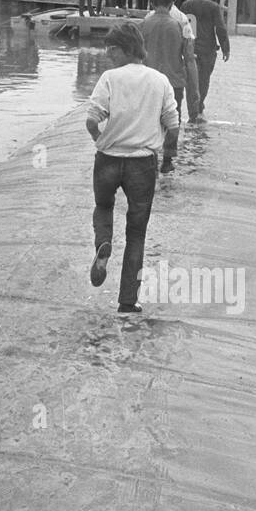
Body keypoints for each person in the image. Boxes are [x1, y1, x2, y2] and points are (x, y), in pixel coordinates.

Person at [86, 21, 180, 315]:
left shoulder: (110, 79)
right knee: (136, 233)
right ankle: (128, 300)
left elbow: (91, 120)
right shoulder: (160, 80)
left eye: (112, 50)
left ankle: (103, 243)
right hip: (142, 162)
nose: (109, 56)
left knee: (103, 206)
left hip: (108, 159)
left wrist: (102, 141)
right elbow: (173, 126)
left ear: (126, 49)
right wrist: (166, 159)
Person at [180, 0, 230, 118]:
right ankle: (200, 102)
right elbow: (220, 28)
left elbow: (182, 27)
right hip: (208, 48)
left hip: (190, 48)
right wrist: (226, 48)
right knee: (204, 78)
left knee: (191, 79)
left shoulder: (186, 5)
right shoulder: (213, 6)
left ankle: (193, 106)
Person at [141, 0, 190, 122]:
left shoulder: (143, 24)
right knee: (172, 126)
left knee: (150, 125)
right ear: (171, 4)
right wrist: (194, 90)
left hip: (148, 84)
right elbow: (190, 59)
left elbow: (133, 58)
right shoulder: (182, 23)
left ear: (152, 3)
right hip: (174, 83)